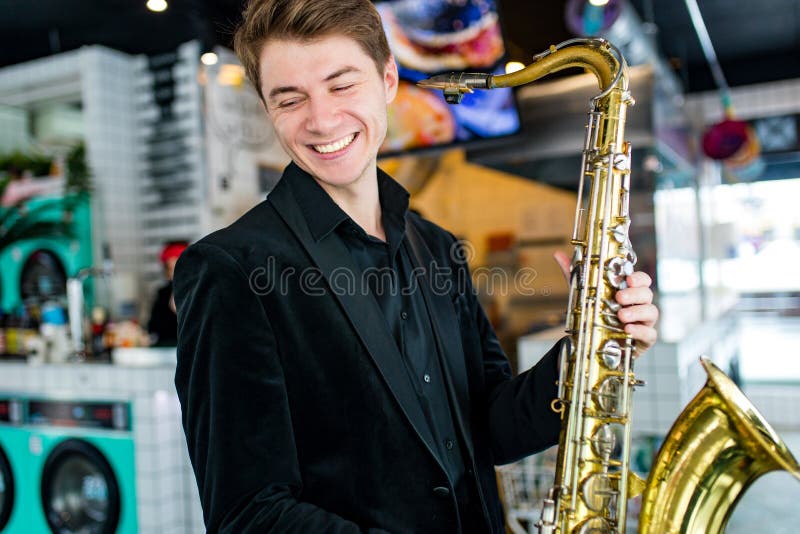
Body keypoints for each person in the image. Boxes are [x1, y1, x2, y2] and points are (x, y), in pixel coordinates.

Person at [173, 0, 659, 532]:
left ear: (387, 79)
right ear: (269, 108)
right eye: (290, 99)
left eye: (342, 85)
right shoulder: (228, 268)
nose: (322, 119)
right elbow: (249, 513)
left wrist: (587, 350)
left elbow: (490, 426)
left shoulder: (439, 246)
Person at [147, 241, 187, 346]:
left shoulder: (199, 291)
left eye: (177, 268)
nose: (174, 274)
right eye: (170, 269)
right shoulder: (163, 293)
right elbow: (152, 327)